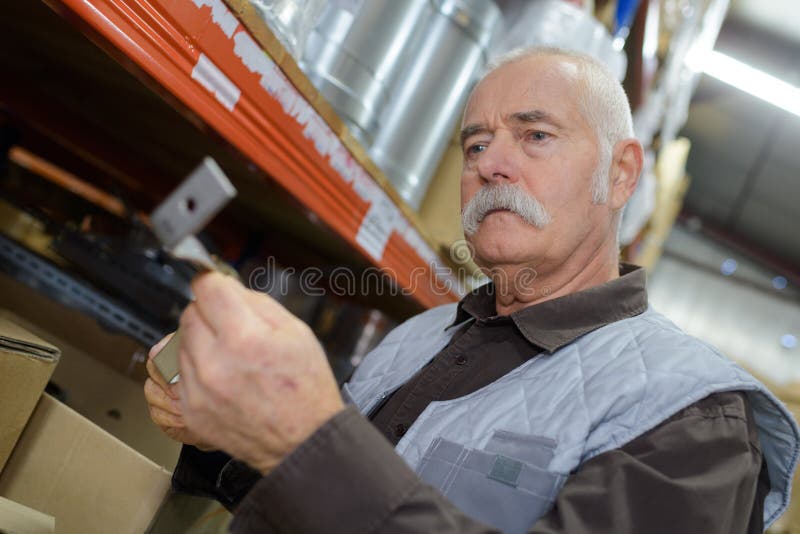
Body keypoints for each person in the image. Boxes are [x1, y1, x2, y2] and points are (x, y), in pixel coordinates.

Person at [144, 47, 799, 533]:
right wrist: (230, 431)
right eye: (476, 145)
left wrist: (307, 443)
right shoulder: (416, 338)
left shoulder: (693, 419)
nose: (491, 164)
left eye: (535, 136)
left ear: (622, 173)